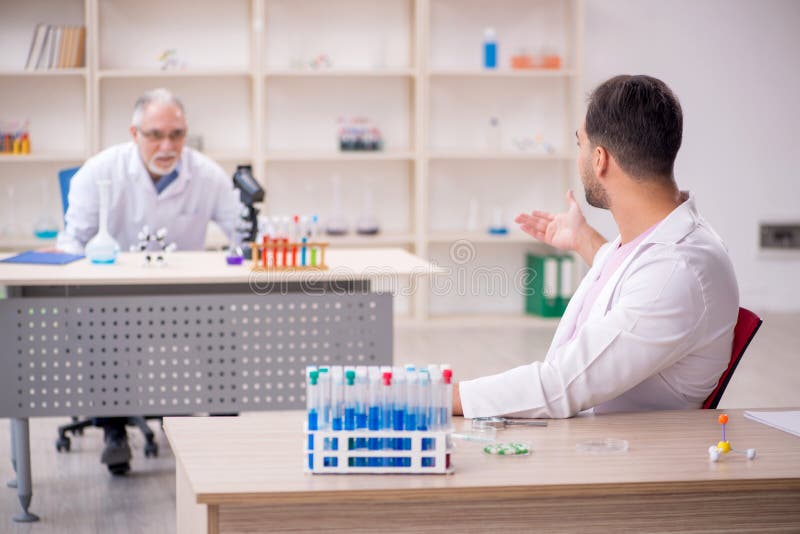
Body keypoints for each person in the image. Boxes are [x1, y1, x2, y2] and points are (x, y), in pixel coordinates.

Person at [454, 75, 739, 419]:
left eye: (581, 144)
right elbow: (632, 273)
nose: (580, 158)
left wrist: (433, 397)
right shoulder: (668, 236)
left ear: (600, 158)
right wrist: (582, 238)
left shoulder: (677, 271)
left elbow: (558, 386)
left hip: (617, 452)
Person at [56, 88, 243, 474]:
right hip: (112, 301)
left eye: (176, 135)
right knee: (102, 328)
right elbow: (70, 243)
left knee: (224, 330)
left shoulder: (207, 175)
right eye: (155, 134)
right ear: (134, 133)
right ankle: (113, 433)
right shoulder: (99, 171)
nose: (166, 145)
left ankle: (226, 439)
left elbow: (244, 234)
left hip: (184, 301)